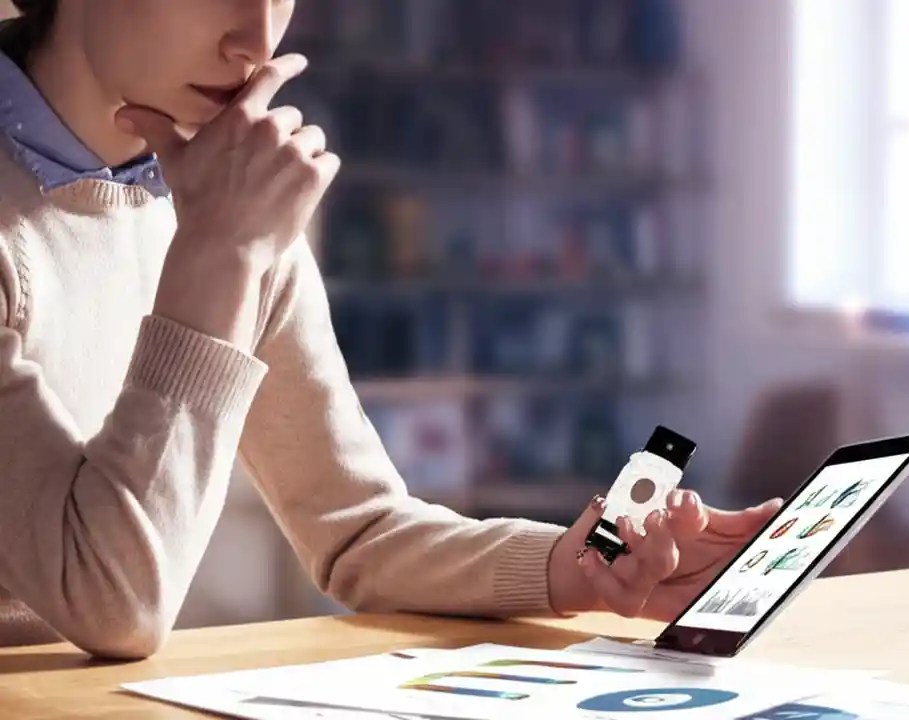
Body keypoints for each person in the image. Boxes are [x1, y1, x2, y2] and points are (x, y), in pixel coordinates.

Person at [0, 0, 782, 659]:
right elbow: (113, 603)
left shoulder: (226, 203)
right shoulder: (226, 227)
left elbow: (358, 531)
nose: (257, 41)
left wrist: (574, 566)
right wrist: (218, 254)